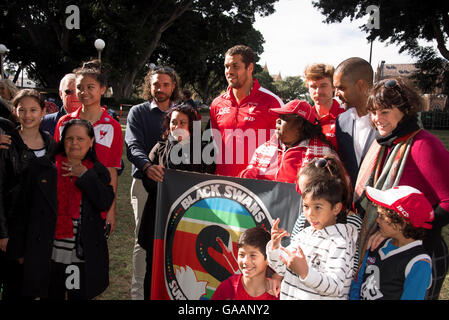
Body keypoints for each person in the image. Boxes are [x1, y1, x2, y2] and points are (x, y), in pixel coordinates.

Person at [354, 77, 449, 300]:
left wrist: (404, 230)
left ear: (405, 110)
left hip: (419, 254)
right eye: (373, 112)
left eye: (385, 112)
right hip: (386, 250)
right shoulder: (384, 144)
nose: (377, 119)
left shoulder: (423, 145)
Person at [20, 119, 114, 299]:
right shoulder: (43, 168)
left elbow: (104, 202)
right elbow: (25, 207)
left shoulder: (98, 171)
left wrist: (85, 176)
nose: (75, 143)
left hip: (78, 254)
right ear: (63, 141)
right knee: (51, 294)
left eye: (80, 138)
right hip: (49, 252)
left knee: (76, 294)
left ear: (91, 141)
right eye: (70, 138)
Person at [139, 103, 215, 299]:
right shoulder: (159, 148)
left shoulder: (203, 152)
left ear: (192, 125)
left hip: (187, 223)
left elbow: (205, 183)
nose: (177, 126)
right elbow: (147, 184)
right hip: (158, 220)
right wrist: (152, 175)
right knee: (153, 270)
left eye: (183, 122)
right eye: (174, 122)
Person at [125, 66, 180, 300]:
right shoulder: (138, 112)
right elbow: (132, 145)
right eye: (156, 84)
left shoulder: (183, 113)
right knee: (143, 240)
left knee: (174, 239)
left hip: (177, 189)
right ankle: (139, 294)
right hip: (144, 185)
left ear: (173, 86)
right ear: (150, 85)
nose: (160, 89)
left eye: (166, 84)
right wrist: (147, 166)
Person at [55, 60, 123, 235]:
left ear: (102, 89)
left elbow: (111, 172)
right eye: (79, 87)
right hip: (66, 200)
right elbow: (57, 162)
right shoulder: (64, 123)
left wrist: (110, 210)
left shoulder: (113, 126)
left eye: (90, 87)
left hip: (96, 199)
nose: (84, 92)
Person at [266, 172, 358, 300]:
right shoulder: (303, 235)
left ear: (336, 208)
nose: (310, 214)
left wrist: (305, 272)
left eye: (318, 207)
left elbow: (336, 287)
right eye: (306, 206)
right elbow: (281, 269)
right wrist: (275, 247)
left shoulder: (340, 243)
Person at [0, 89, 55, 299]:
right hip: (13, 224)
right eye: (22, 110)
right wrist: (3, 232)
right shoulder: (6, 144)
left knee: (32, 285)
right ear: (15, 112)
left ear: (43, 111)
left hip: (38, 227)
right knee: (13, 284)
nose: (28, 115)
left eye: (33, 110)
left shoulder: (50, 143)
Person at [210, 44, 283, 177]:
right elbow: (216, 145)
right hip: (224, 182)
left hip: (258, 185)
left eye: (235, 66)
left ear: (250, 68)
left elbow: (283, 147)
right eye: (226, 66)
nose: (229, 71)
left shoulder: (272, 102)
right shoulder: (217, 104)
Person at [350, 186, 433, 300]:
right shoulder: (377, 243)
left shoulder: (419, 263)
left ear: (401, 224)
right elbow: (358, 281)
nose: (377, 220)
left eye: (382, 217)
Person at [239, 99, 336, 183]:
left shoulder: (323, 154)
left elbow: (328, 190)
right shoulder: (264, 149)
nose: (278, 121)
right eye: (279, 117)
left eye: (284, 118)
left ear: (300, 125)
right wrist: (246, 175)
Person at [333, 57, 376, 188]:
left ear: (361, 86)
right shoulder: (341, 122)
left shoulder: (389, 122)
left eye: (341, 88)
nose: (336, 94)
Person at [211, 227, 278, 300]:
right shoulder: (227, 288)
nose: (245, 261)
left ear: (268, 259)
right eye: (241, 255)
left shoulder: (277, 292)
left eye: (253, 255)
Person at [304, 63, 345, 149]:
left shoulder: (345, 116)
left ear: (334, 87)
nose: (318, 91)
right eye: (313, 86)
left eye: (323, 86)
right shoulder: (305, 118)